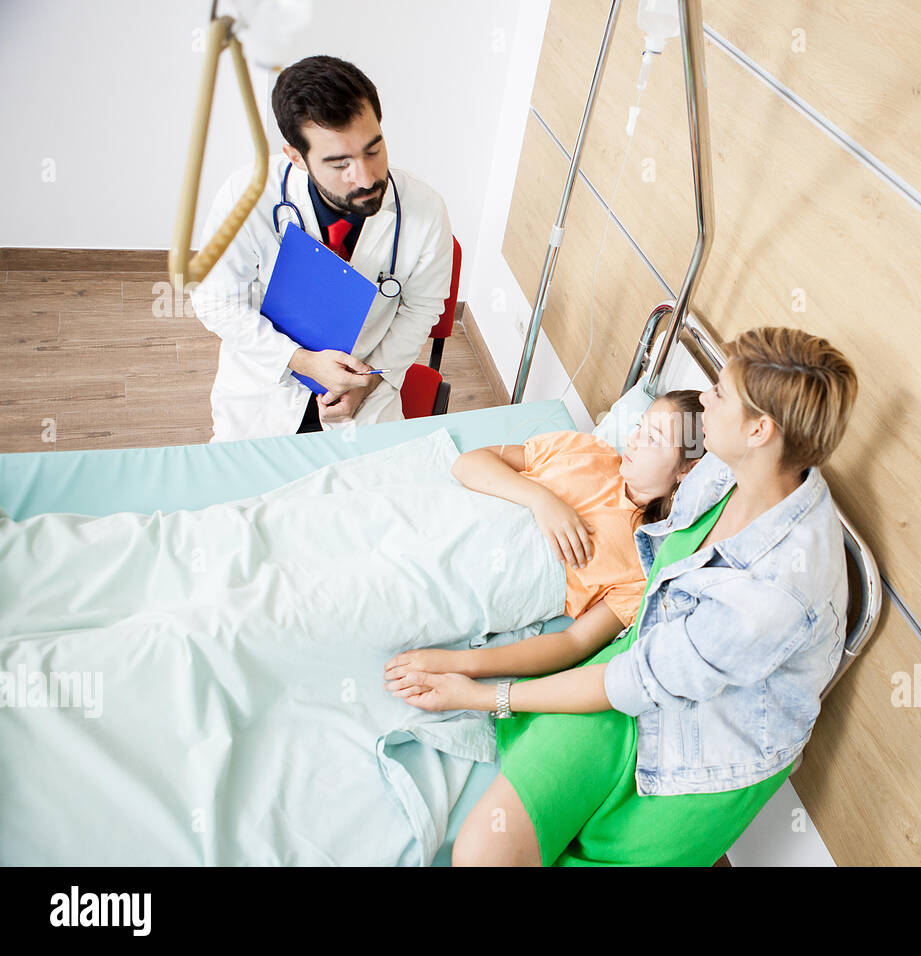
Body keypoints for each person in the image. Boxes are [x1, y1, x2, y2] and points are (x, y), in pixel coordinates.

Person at [386, 327, 859, 867]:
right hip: (635, 672)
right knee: (483, 851)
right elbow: (634, 661)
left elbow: (627, 678)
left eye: (720, 394)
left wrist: (479, 695)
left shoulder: (771, 596)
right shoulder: (720, 473)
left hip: (703, 751)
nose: (704, 398)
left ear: (760, 429)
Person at [190, 55, 454, 441]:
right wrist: (302, 362)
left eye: (373, 149)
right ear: (296, 157)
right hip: (265, 394)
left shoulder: (425, 209)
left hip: (365, 396)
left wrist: (369, 382)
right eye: (339, 163)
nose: (365, 177)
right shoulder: (247, 196)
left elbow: (422, 307)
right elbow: (216, 301)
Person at [384, 391, 706, 691]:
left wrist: (457, 664)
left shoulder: (642, 562)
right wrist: (541, 500)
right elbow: (467, 463)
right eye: (640, 426)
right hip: (436, 523)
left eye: (653, 439)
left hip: (463, 583)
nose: (634, 440)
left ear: (687, 470)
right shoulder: (587, 451)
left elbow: (572, 644)